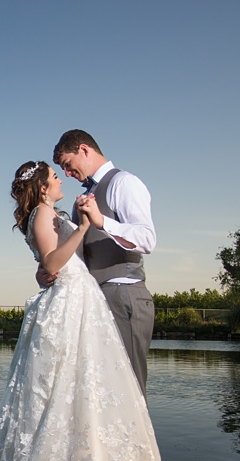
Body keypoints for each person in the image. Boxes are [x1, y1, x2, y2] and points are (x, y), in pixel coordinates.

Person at [0, 160, 171, 461]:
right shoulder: (44, 213)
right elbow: (52, 262)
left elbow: (53, 262)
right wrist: (84, 229)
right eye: (55, 176)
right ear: (43, 188)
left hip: (83, 302)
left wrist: (76, 231)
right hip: (68, 303)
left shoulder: (50, 212)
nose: (61, 180)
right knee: (58, 393)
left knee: (82, 393)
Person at [38, 129, 155, 397]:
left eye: (68, 165)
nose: (67, 174)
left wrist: (102, 221)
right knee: (102, 397)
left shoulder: (123, 183)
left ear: (84, 150)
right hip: (93, 302)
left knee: (130, 393)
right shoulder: (86, 196)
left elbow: (147, 239)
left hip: (123, 294)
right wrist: (45, 273)